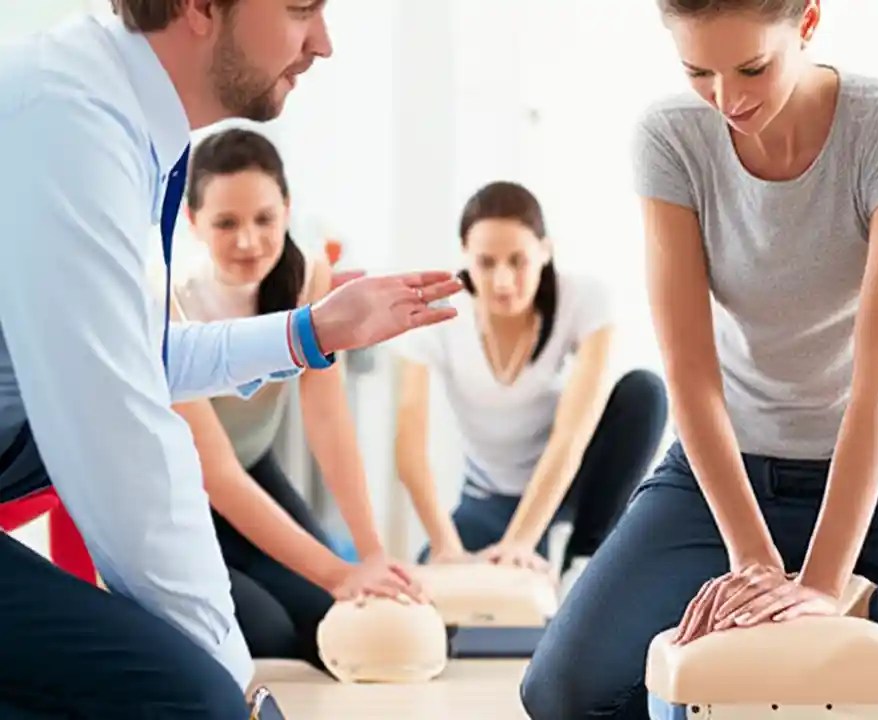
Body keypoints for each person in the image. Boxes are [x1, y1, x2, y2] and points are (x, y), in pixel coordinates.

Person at [519, 2, 878, 718]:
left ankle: (876, 609)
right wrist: (755, 563)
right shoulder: (671, 139)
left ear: (806, 23)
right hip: (725, 470)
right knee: (562, 694)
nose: (727, 99)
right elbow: (689, 374)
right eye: (697, 72)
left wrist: (822, 586)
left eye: (752, 68)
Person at [0, 3, 462, 718]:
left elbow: (129, 352)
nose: (323, 42)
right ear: (199, 7)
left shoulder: (132, 123)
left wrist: (312, 331)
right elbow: (121, 439)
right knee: (196, 698)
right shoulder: (71, 120)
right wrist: (235, 685)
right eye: (300, 8)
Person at [171, 126, 416, 670]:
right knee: (272, 635)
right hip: (183, 499)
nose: (249, 241)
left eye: (264, 219)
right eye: (225, 223)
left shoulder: (308, 278)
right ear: (193, 223)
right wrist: (340, 571)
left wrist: (370, 553)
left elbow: (328, 422)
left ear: (287, 207)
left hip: (255, 470)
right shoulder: (171, 300)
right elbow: (217, 476)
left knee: (331, 621)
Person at [395, 181, 669, 573]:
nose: (503, 281)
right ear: (465, 257)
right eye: (486, 263)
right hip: (488, 498)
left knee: (645, 391)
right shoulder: (437, 318)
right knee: (430, 595)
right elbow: (409, 450)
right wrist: (444, 545)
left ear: (545, 251)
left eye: (518, 261)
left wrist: (520, 543)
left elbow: (572, 434)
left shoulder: (585, 298)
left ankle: (583, 557)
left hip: (566, 487)